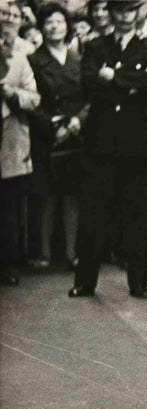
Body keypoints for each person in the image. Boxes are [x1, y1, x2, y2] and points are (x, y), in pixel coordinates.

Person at [68, 0, 147, 298]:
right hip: (101, 142)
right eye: (118, 10)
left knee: (139, 215)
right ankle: (84, 281)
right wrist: (129, 84)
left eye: (130, 10)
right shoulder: (95, 46)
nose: (124, 17)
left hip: (138, 146)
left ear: (139, 12)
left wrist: (113, 77)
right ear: (110, 13)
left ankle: (137, 283)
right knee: (93, 214)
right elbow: (88, 82)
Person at [28, 1, 86, 270]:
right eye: (49, 22)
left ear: (67, 25)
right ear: (42, 27)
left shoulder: (79, 57)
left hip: (75, 133)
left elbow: (89, 96)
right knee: (47, 195)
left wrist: (76, 122)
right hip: (47, 133)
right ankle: (44, 254)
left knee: (73, 194)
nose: (55, 26)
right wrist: (52, 126)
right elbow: (33, 101)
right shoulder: (34, 60)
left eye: (60, 21)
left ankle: (73, 252)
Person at [0, 0, 40, 286]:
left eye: (14, 15)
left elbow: (34, 97)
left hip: (9, 139)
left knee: (8, 206)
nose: (8, 19)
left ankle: (7, 265)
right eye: (3, 13)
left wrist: (11, 93)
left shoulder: (22, 56)